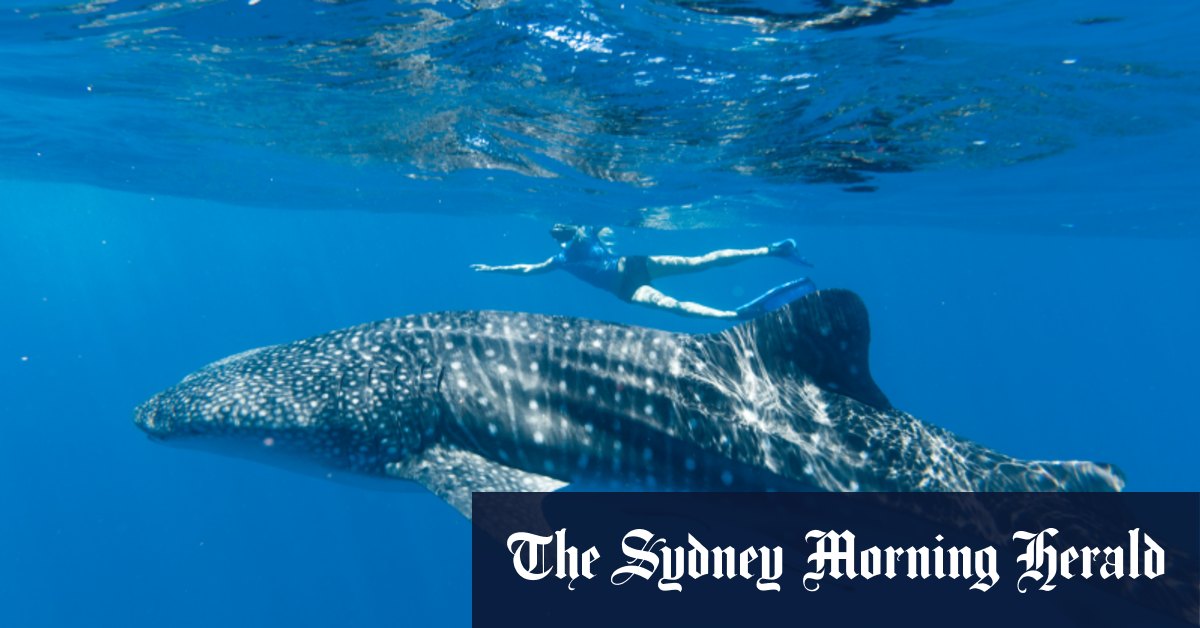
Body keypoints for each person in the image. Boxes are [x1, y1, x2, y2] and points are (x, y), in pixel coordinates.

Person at [470, 224, 817, 320]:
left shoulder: (586, 232)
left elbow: (528, 269)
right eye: (560, 232)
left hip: (633, 266)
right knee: (676, 307)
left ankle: (773, 250)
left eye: (566, 228)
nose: (564, 232)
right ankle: (734, 314)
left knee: (700, 261)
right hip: (628, 289)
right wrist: (494, 269)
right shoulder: (561, 258)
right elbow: (527, 269)